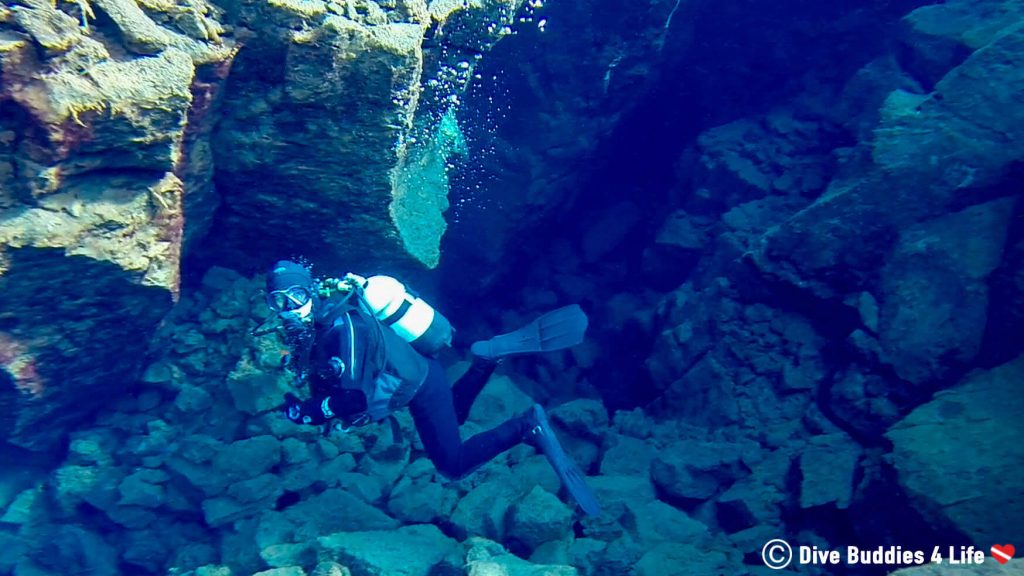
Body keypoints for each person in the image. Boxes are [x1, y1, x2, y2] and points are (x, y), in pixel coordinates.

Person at [261, 260, 601, 517]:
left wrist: (307, 413)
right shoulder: (328, 312)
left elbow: (355, 398)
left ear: (311, 290)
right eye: (280, 301)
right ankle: (485, 359)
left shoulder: (341, 328)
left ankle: (529, 425)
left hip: (418, 384)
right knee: (452, 415)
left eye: (297, 295)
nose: (291, 308)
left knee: (451, 464)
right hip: (419, 368)